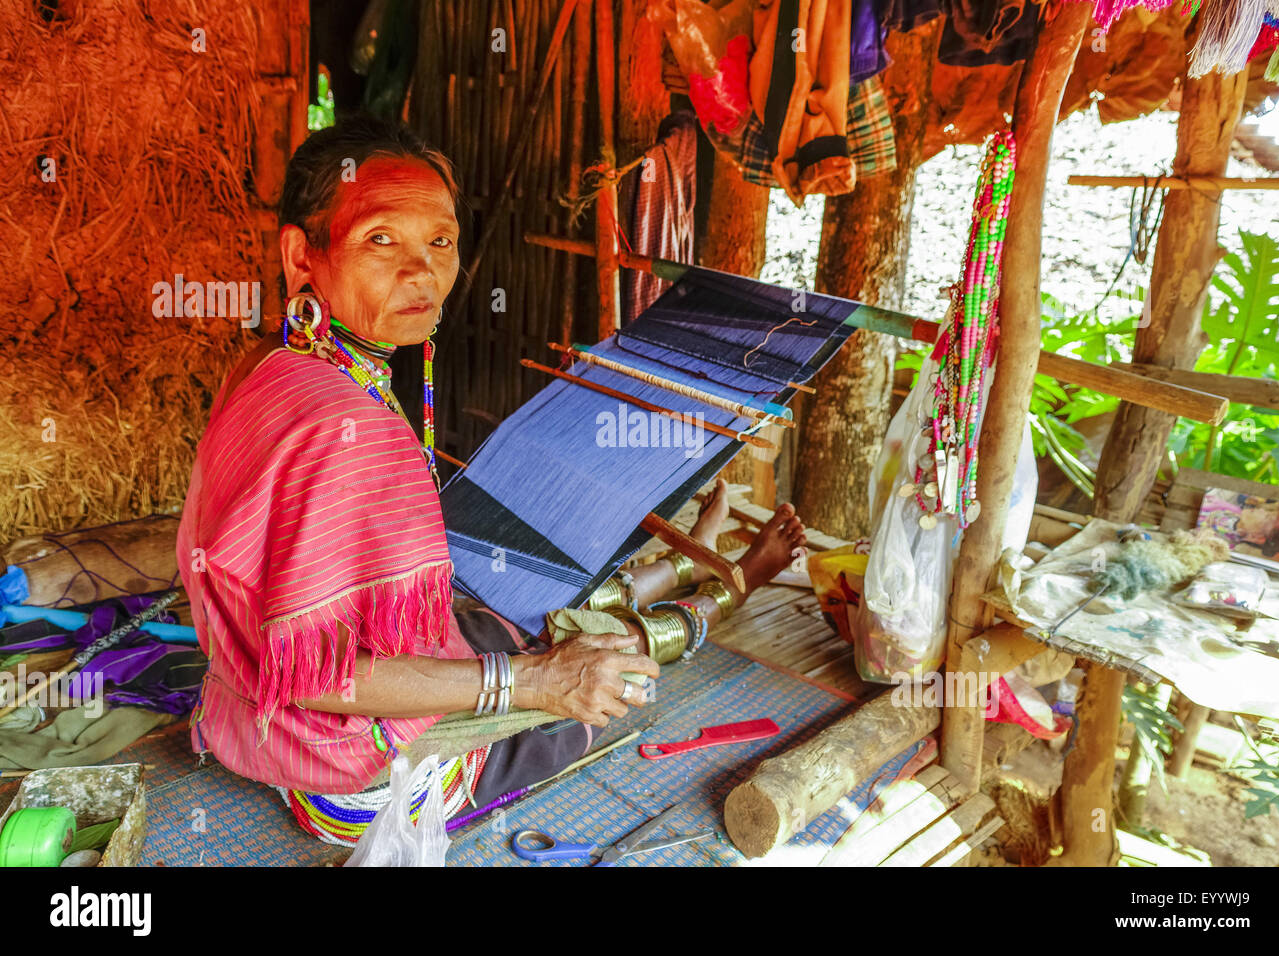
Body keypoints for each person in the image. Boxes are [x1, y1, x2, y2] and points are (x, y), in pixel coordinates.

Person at [177, 114, 807, 843]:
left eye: (439, 241)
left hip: (262, 728)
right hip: (368, 781)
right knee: (616, 664)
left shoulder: (271, 367)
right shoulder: (343, 429)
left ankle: (671, 568)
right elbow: (323, 677)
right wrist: (539, 683)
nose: (421, 272)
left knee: (519, 606)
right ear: (301, 255)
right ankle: (733, 587)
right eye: (381, 239)